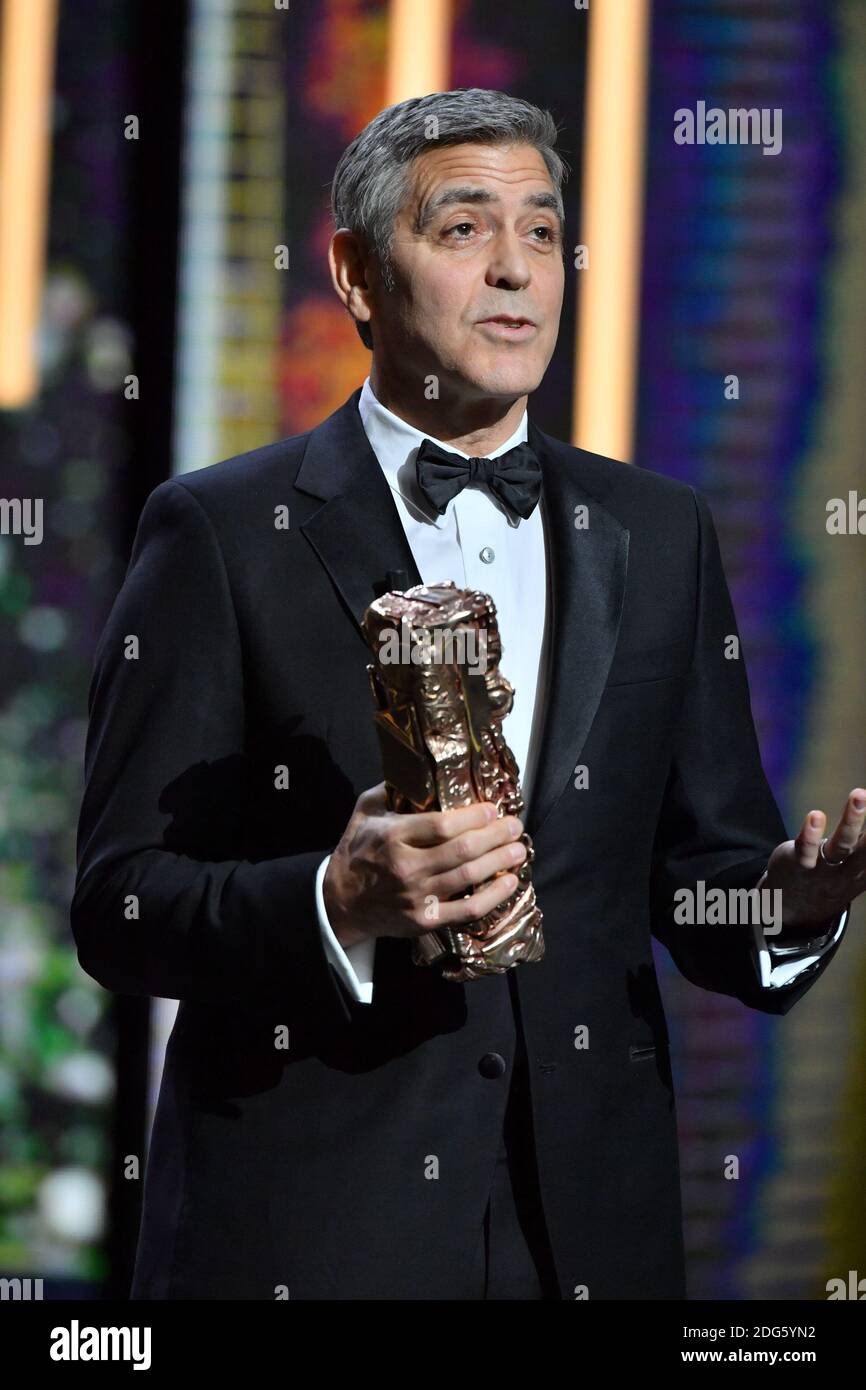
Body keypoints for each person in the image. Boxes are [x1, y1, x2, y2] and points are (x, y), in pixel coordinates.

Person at [72, 89, 863, 1301]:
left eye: (541, 233)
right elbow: (121, 906)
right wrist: (337, 898)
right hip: (312, 1240)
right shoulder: (223, 532)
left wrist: (788, 900)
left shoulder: (657, 530)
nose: (514, 271)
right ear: (353, 273)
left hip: (588, 1242)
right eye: (461, 230)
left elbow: (691, 877)